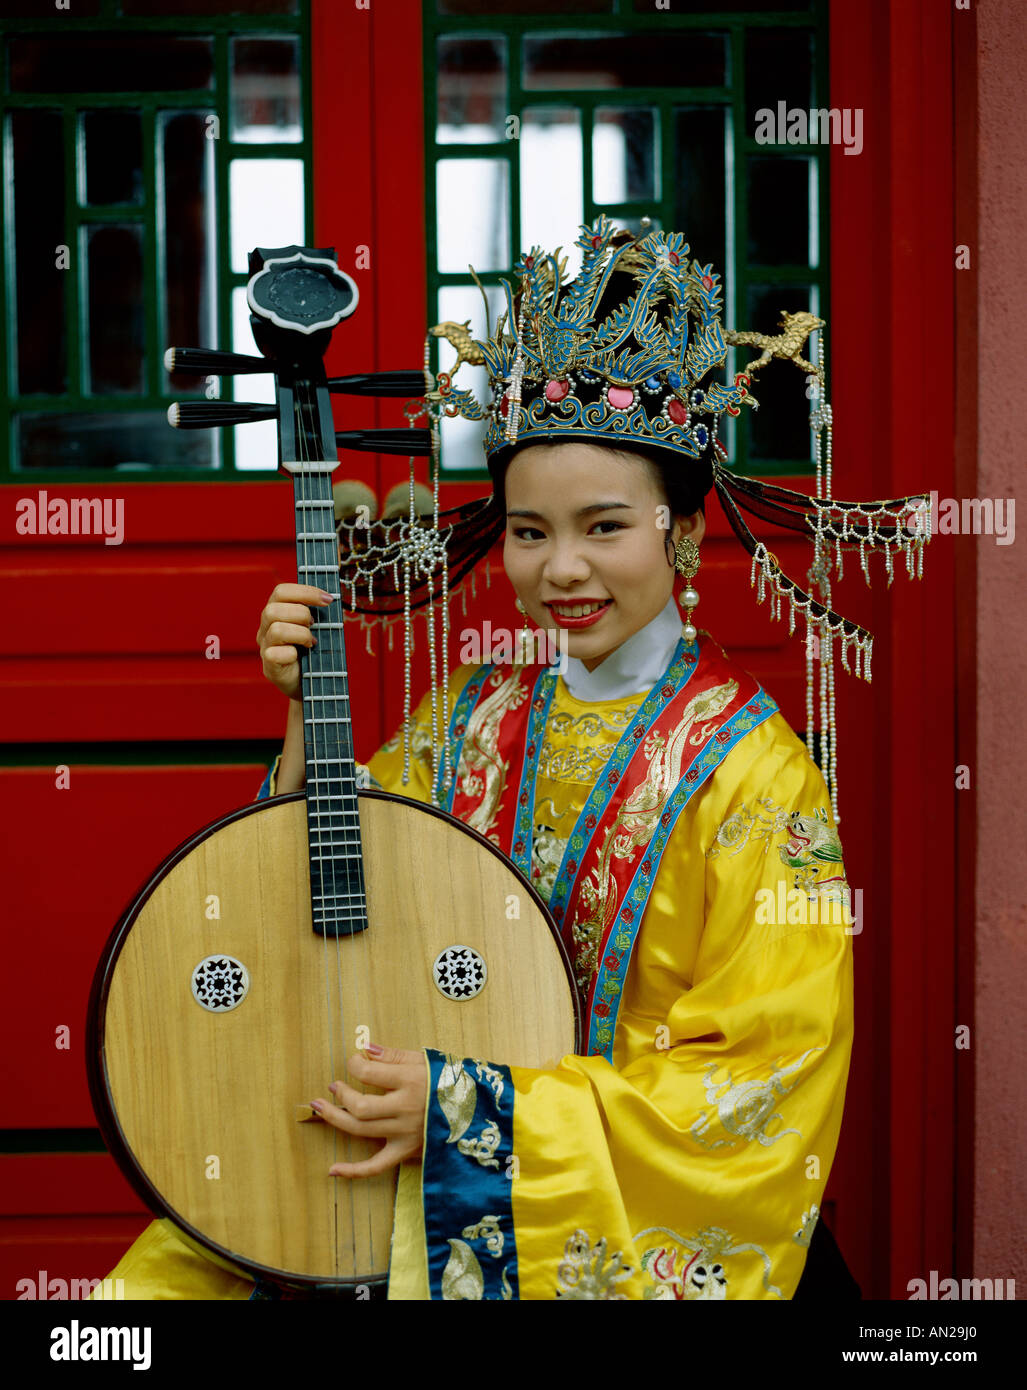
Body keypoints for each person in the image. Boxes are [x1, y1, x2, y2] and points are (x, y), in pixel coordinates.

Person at [98, 216, 923, 1300]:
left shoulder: (757, 783)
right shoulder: (472, 719)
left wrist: (465, 1108)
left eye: (603, 527)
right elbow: (307, 905)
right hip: (407, 1157)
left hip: (602, 1210)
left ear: (681, 532)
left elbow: (757, 1092)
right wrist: (306, 714)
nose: (560, 569)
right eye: (529, 531)